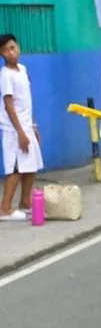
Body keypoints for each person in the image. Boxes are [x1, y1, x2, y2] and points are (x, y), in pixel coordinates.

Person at [0, 34, 42, 221]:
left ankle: (25, 203)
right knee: (16, 169)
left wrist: (32, 126)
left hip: (26, 126)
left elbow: (26, 102)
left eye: (13, 47)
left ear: (18, 48)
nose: (11, 52)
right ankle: (5, 209)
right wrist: (20, 133)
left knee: (31, 166)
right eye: (6, 50)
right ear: (1, 54)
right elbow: (9, 105)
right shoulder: (5, 75)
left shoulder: (22, 70)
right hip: (14, 130)